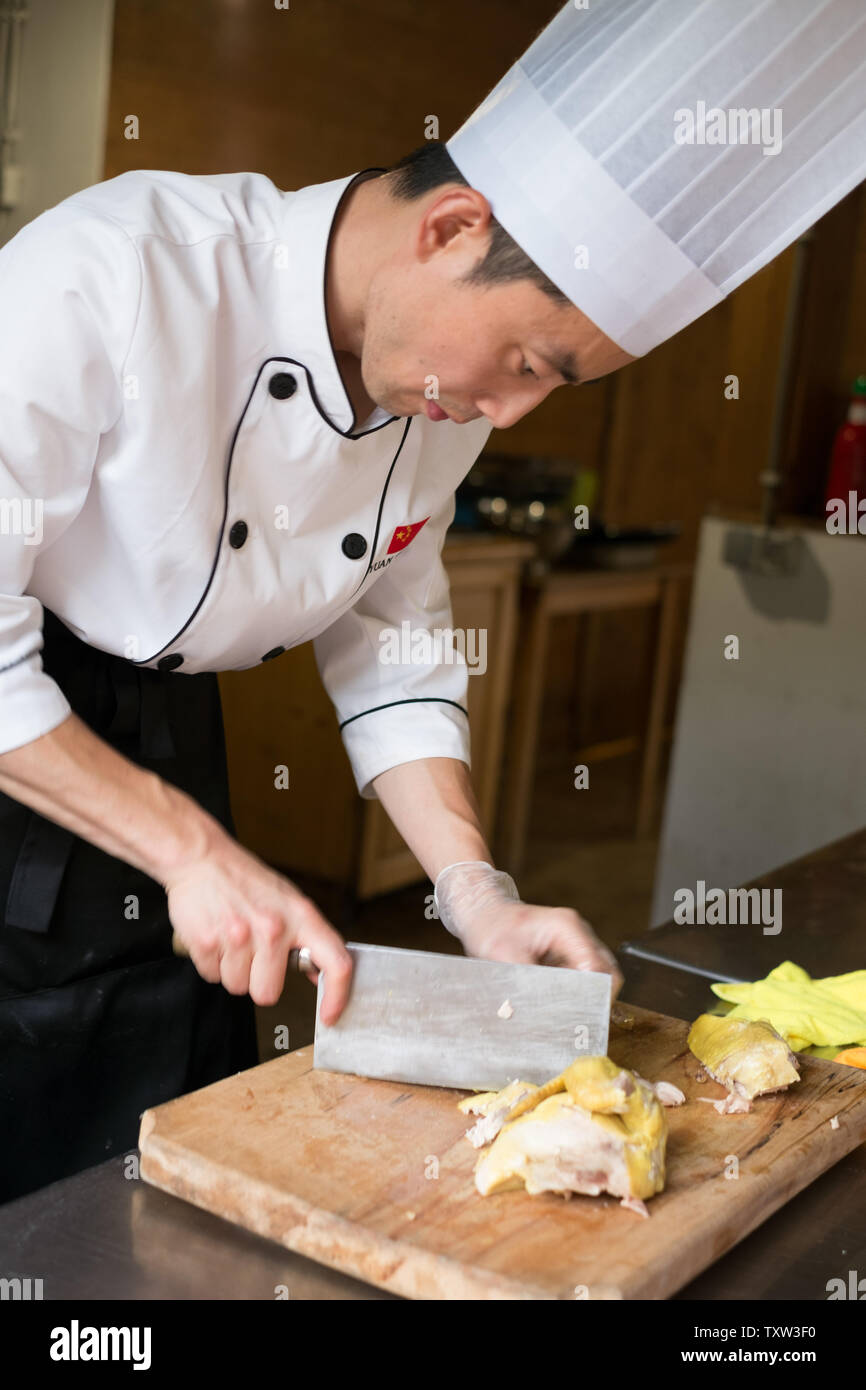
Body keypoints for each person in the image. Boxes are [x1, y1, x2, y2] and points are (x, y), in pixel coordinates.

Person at [2, 0, 863, 1202]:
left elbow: (391, 641)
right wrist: (189, 849)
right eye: (527, 364)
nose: (511, 416)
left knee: (167, 1111)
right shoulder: (116, 273)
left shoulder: (430, 399)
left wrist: (477, 898)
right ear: (452, 227)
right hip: (29, 732)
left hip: (174, 734)